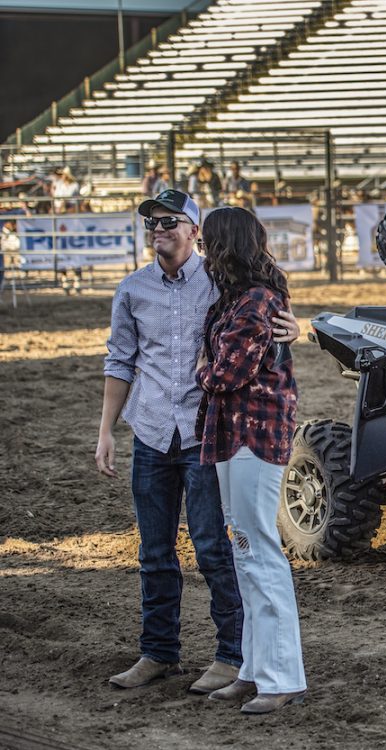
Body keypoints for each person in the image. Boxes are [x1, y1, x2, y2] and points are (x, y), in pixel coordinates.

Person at [96, 189, 299, 693]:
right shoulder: (133, 289)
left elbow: (267, 309)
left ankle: (232, 656)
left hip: (206, 434)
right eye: (151, 223)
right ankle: (158, 652)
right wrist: (105, 430)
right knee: (155, 552)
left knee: (214, 548)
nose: (157, 229)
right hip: (151, 431)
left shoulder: (223, 280)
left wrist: (294, 329)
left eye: (168, 221)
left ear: (194, 230)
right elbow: (120, 360)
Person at [196, 206, 306, 714]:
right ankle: (256, 669)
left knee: (257, 551)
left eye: (209, 242)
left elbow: (225, 374)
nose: (202, 251)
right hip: (238, 437)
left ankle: (280, 675)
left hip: (252, 438)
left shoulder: (253, 301)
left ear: (225, 246)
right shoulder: (245, 299)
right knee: (246, 552)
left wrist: (203, 369)